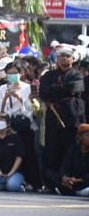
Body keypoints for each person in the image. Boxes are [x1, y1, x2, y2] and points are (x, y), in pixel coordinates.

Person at [40, 45, 85, 189]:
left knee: (70, 151)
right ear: (57, 59)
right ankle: (52, 184)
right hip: (53, 119)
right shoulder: (48, 75)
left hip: (71, 120)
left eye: (67, 56)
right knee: (51, 152)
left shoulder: (77, 75)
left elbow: (73, 89)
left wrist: (55, 90)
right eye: (61, 56)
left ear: (72, 59)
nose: (63, 58)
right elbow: (43, 92)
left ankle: (70, 183)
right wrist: (61, 90)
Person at [0, 60, 40, 190]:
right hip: (8, 127)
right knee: (11, 155)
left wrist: (20, 99)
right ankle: (10, 177)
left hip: (24, 127)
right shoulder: (3, 88)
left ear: (21, 73)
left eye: (15, 73)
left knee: (28, 154)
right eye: (9, 73)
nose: (12, 76)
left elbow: (31, 112)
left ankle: (33, 182)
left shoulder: (27, 87)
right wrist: (5, 99)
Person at [0, 115, 26, 191]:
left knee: (12, 186)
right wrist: (0, 174)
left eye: (1, 120)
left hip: (15, 172)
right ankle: (4, 184)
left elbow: (19, 158)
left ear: (8, 124)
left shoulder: (15, 137)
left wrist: (10, 174)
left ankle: (21, 186)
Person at [52, 123, 89, 196]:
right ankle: (74, 191)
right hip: (72, 182)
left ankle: (71, 191)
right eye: (87, 135)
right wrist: (66, 178)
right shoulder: (73, 150)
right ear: (80, 137)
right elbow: (65, 167)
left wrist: (77, 180)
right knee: (50, 174)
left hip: (84, 182)